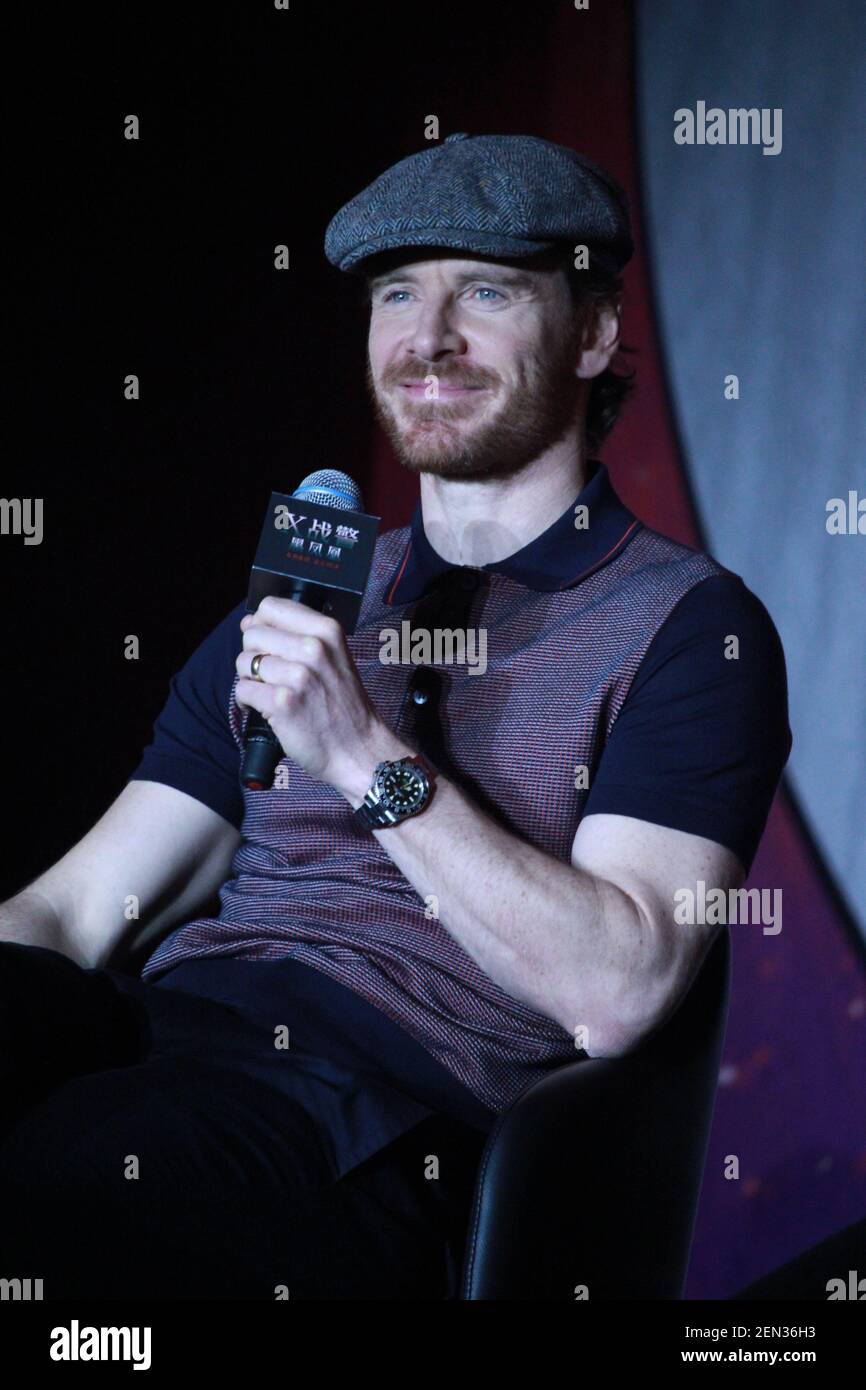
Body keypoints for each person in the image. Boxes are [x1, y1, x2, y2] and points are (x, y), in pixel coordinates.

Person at [0, 133, 792, 1300]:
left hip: (374, 1113)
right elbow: (73, 907)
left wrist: (365, 754)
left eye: (483, 290)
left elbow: (617, 991)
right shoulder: (306, 599)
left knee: (68, 1179)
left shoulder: (689, 628)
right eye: (394, 294)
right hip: (160, 1035)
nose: (425, 339)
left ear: (591, 332)